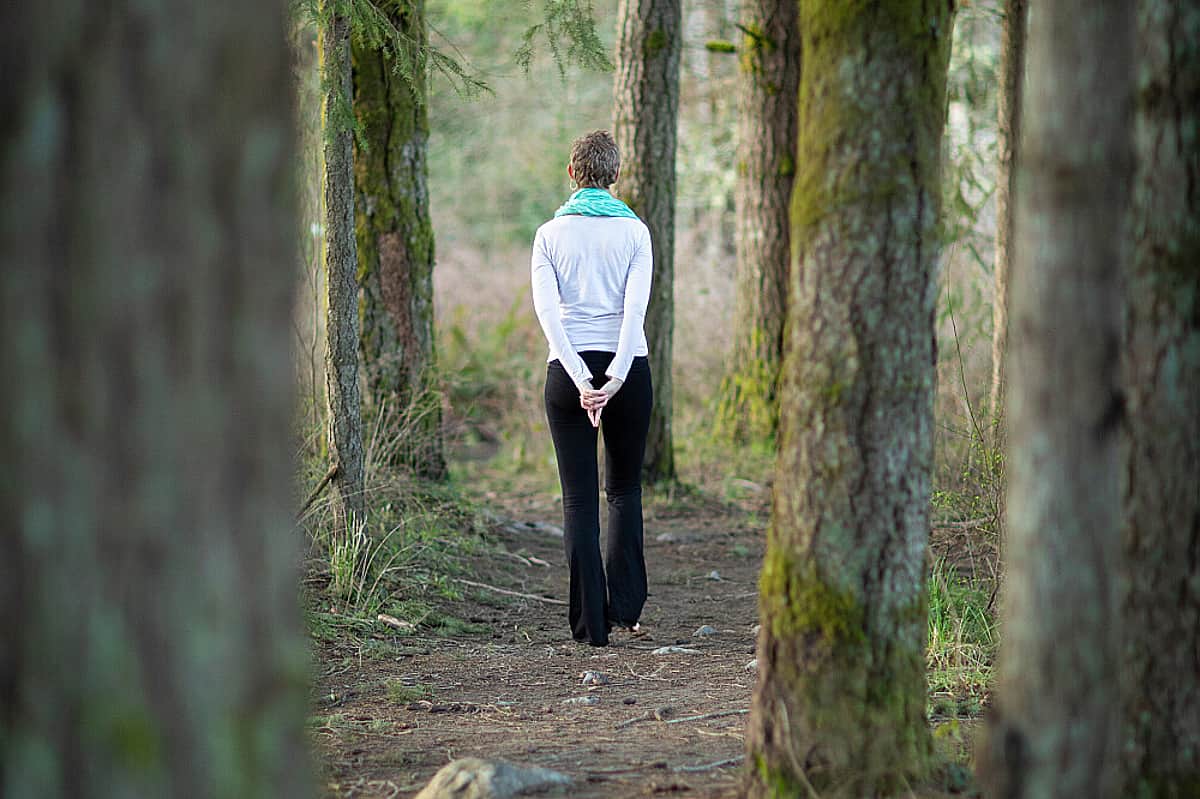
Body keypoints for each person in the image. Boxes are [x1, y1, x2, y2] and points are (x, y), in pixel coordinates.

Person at [530, 130, 654, 647]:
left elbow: (546, 313)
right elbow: (635, 313)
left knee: (578, 500)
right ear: (615, 176)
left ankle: (590, 625)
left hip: (567, 372)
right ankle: (625, 610)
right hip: (628, 372)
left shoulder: (548, 235)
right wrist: (615, 378)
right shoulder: (636, 233)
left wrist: (582, 379)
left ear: (571, 172)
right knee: (623, 490)